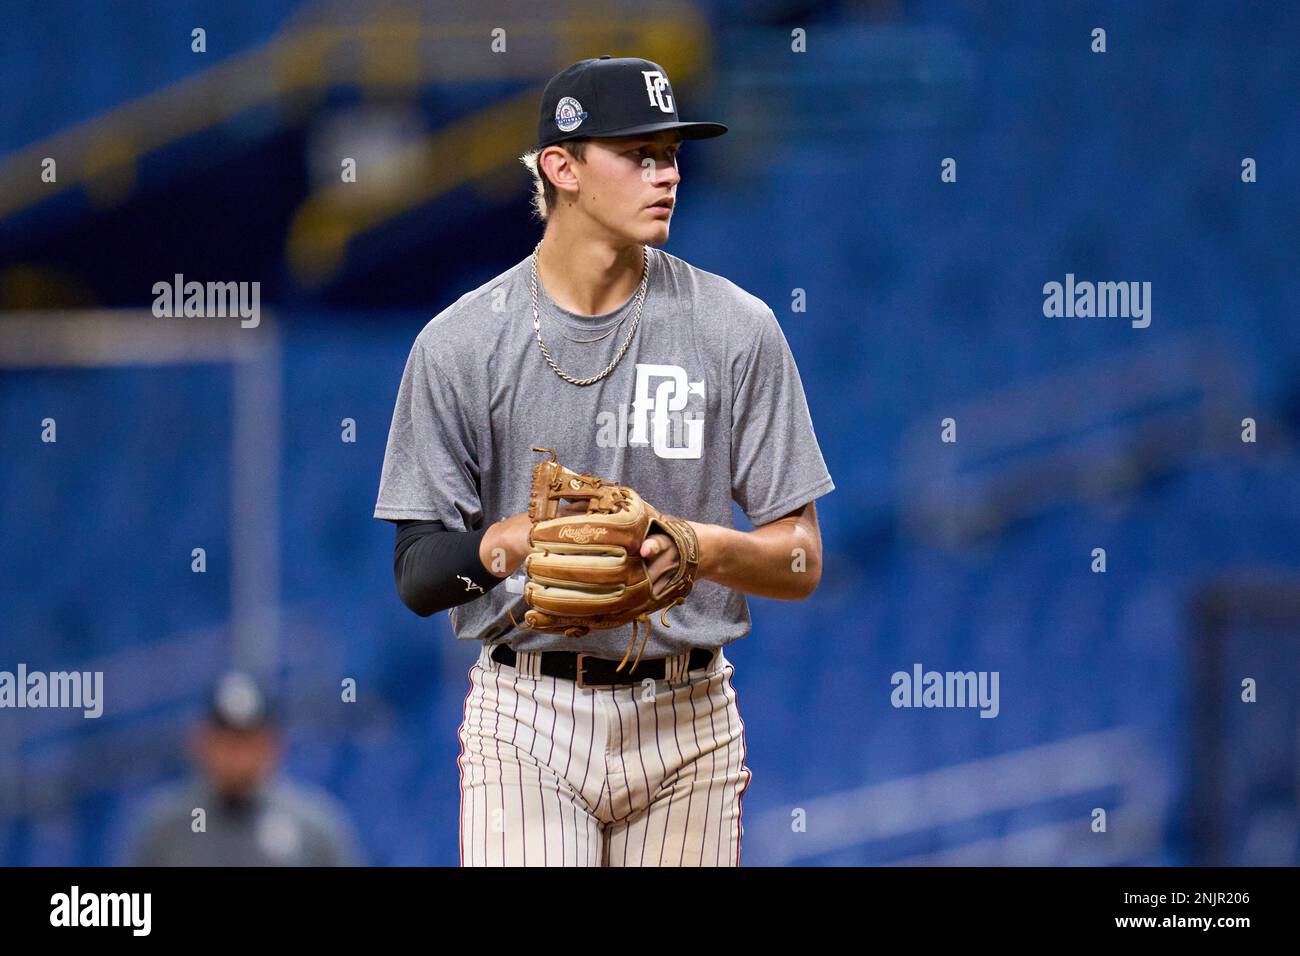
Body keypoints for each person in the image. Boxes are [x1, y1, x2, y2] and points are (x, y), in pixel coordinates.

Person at [375, 55, 834, 866]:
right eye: (639, 154)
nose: (666, 176)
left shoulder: (738, 328)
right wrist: (514, 541)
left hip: (689, 720)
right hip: (529, 713)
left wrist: (702, 547)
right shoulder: (461, 343)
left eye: (673, 156)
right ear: (563, 166)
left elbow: (800, 559)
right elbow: (418, 575)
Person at [127, 672, 363, 866]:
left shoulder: (315, 828)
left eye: (248, 742)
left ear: (273, 745)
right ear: (201, 742)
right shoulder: (164, 828)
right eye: (227, 742)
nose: (238, 757)